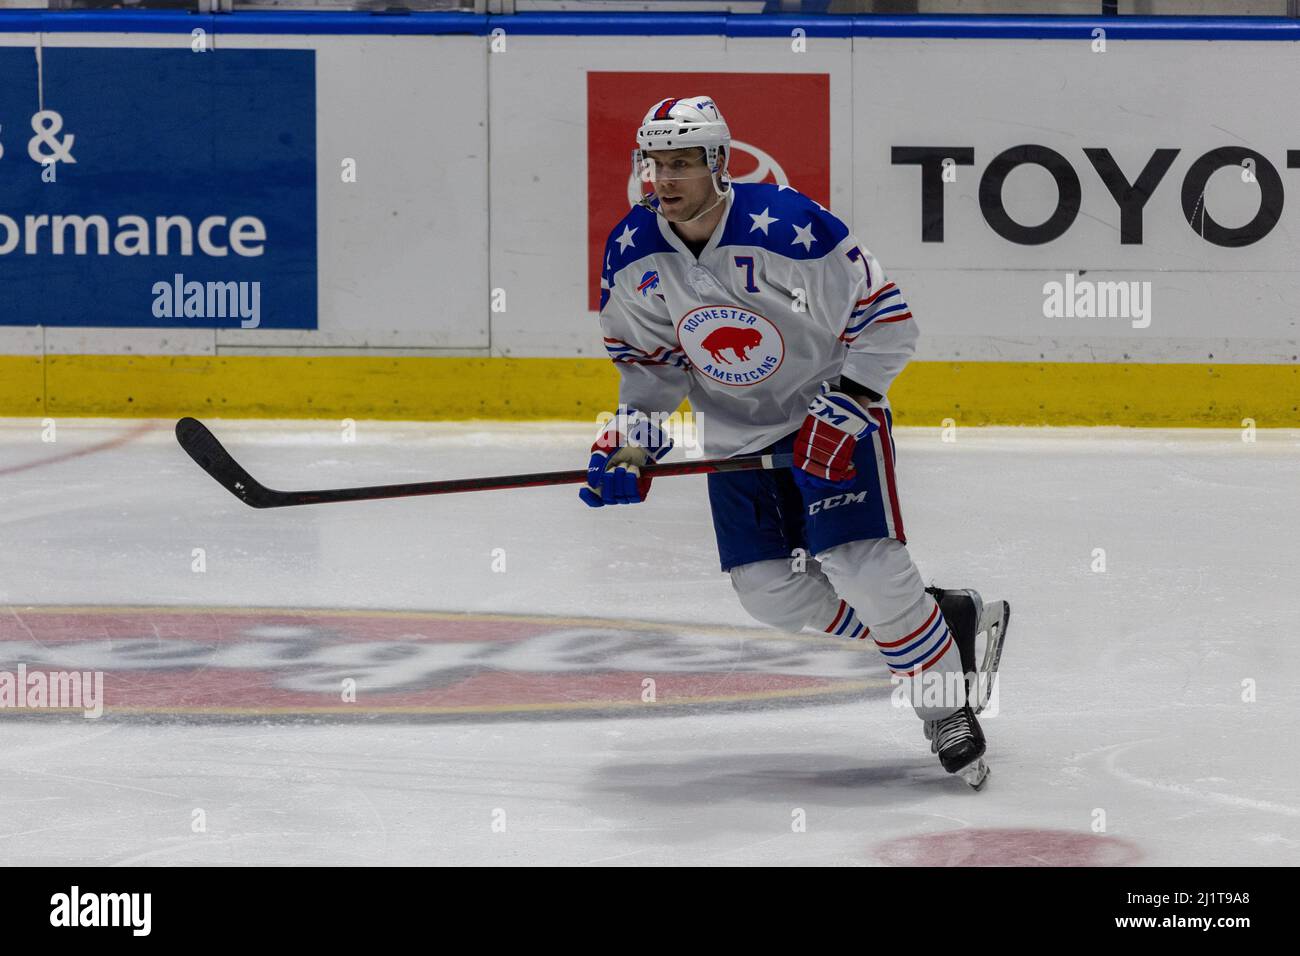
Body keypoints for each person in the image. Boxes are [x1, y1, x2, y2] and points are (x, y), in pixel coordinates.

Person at [582, 96, 1006, 789]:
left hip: (827, 415)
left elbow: (888, 324)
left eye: (683, 163)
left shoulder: (789, 228)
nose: (665, 179)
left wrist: (842, 414)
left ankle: (944, 706)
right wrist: (632, 443)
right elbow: (651, 368)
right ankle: (935, 626)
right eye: (655, 163)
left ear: (720, 163)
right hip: (735, 440)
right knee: (769, 594)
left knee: (865, 569)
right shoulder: (635, 252)